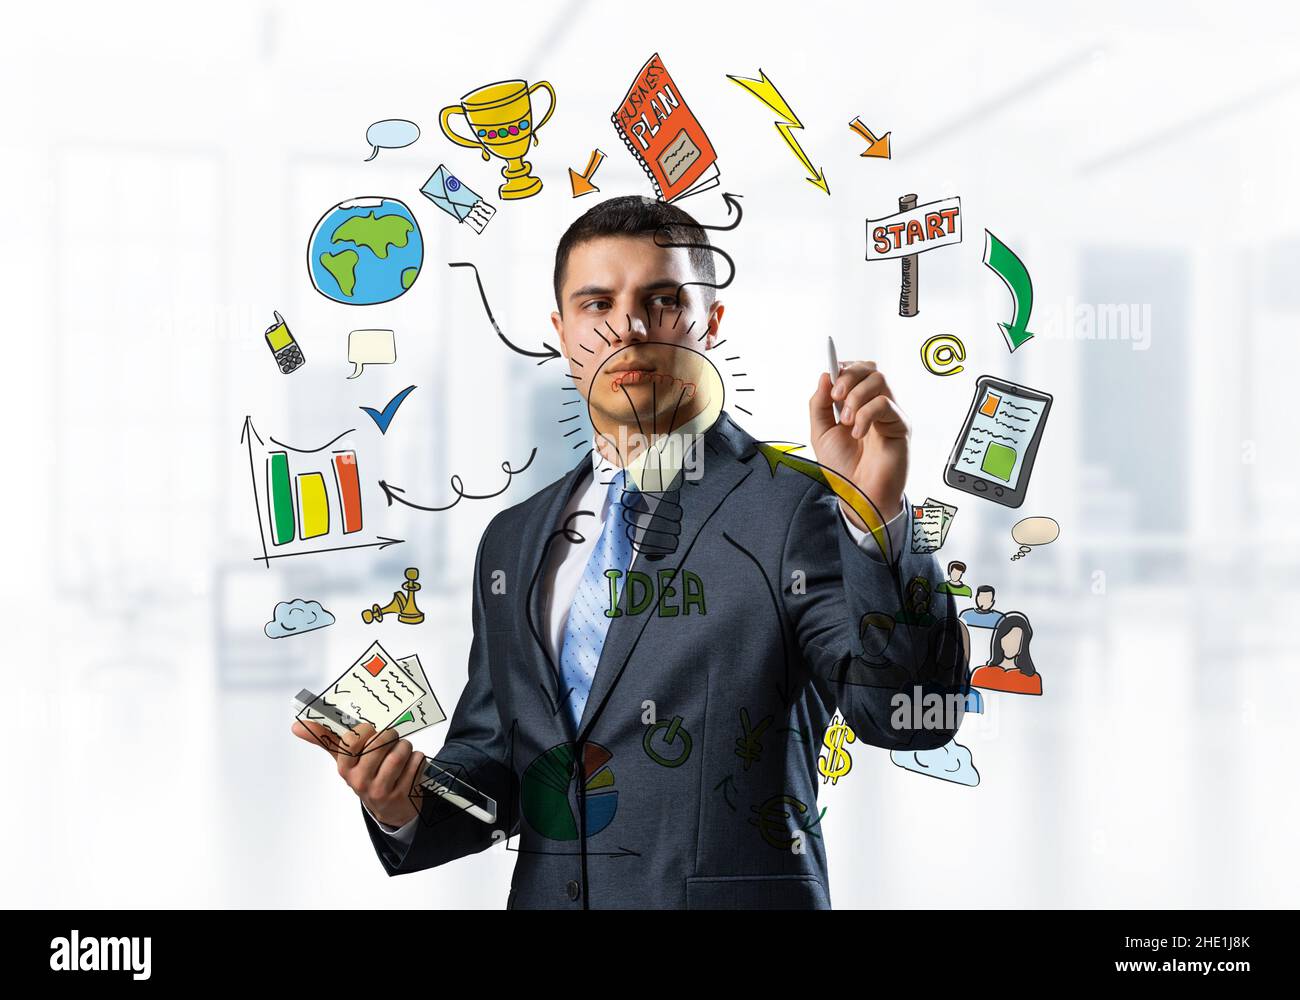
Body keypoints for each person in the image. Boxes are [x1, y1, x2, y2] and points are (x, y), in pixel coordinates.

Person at [291, 195, 964, 910]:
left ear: (712, 323)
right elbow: (500, 773)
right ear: (561, 332)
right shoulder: (515, 540)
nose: (629, 327)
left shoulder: (798, 505)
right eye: (596, 304)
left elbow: (907, 710)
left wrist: (880, 513)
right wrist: (401, 800)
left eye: (662, 300)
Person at [970, 611, 1040, 696]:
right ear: (999, 639)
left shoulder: (1032, 680)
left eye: (1016, 640)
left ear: (1023, 644)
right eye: (1007, 637)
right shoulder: (980, 674)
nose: (1011, 644)